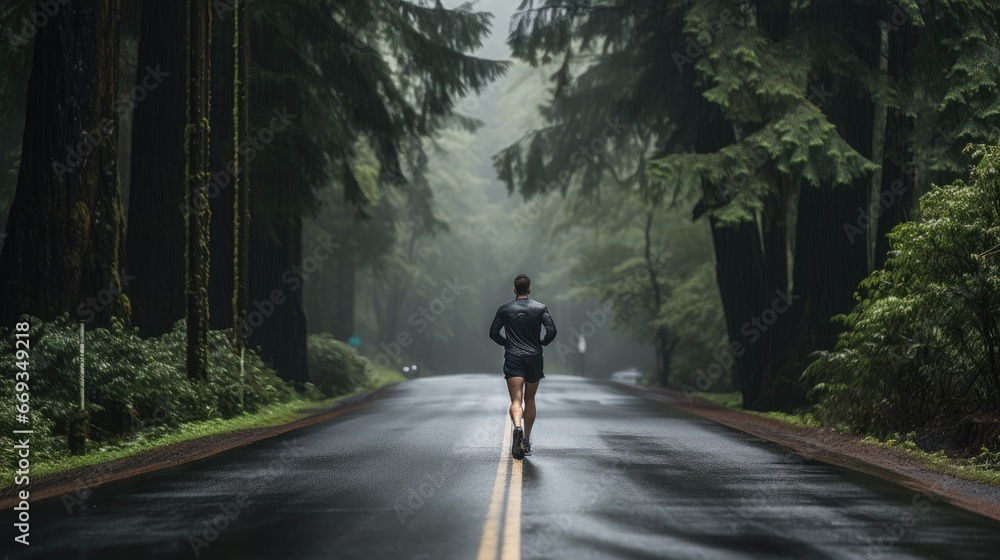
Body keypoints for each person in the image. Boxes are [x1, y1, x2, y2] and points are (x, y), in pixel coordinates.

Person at [489, 274, 557, 459]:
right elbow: (552, 331)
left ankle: (516, 427)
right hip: (534, 357)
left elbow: (493, 333)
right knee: (531, 399)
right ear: (529, 289)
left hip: (514, 357)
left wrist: (507, 343)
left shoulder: (505, 309)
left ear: (514, 289)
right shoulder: (540, 308)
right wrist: (541, 343)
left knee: (516, 401)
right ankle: (526, 440)